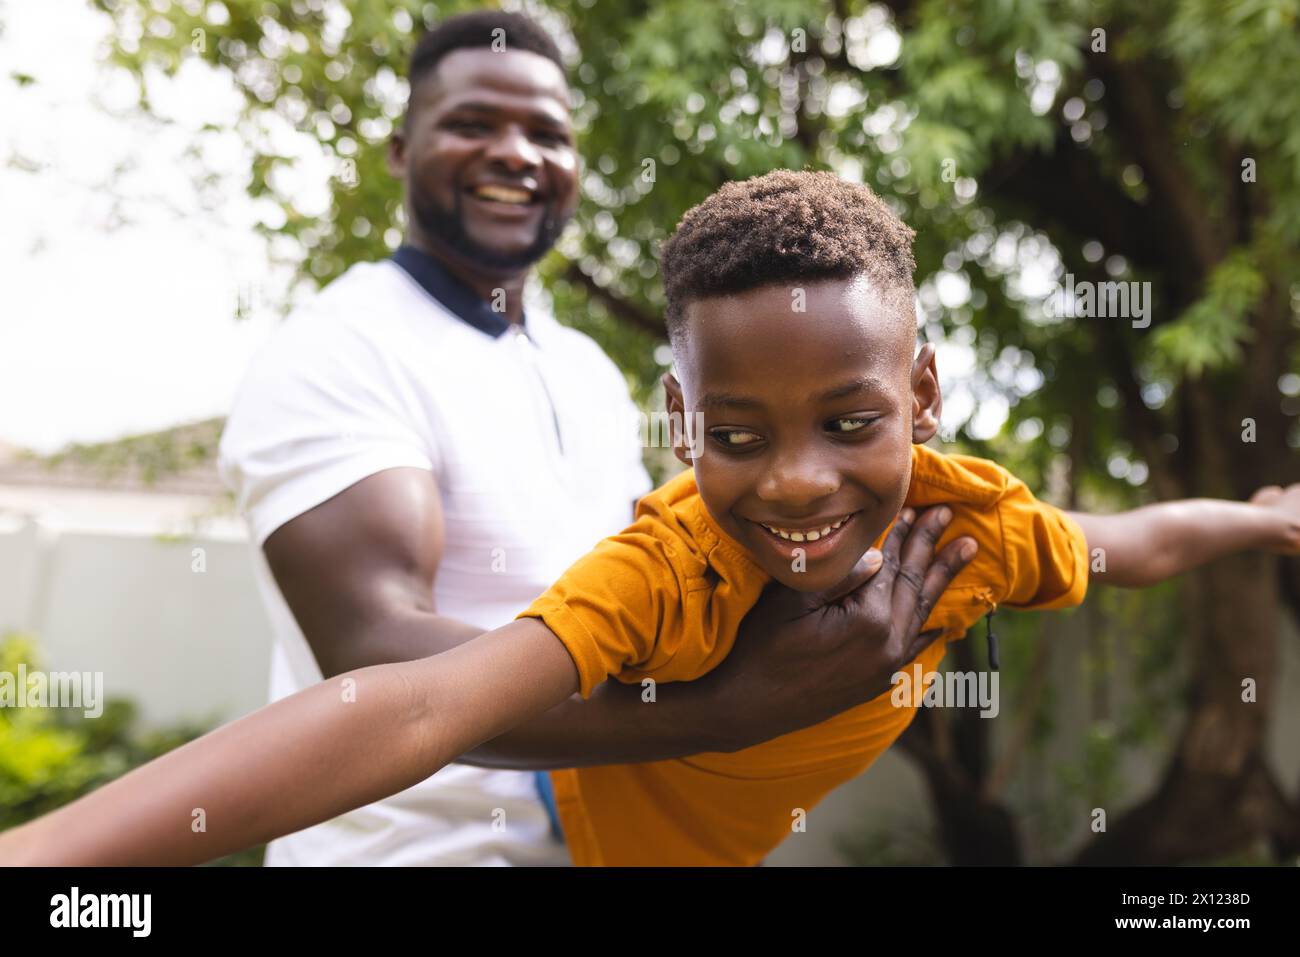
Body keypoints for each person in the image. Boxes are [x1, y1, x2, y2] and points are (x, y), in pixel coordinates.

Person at [6, 169, 1295, 868]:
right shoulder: (666, 573)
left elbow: (1129, 544)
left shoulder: (961, 529)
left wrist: (1254, 518)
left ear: (921, 394)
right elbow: (418, 706)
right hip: (594, 829)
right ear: (681, 422)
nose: (793, 483)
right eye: (736, 437)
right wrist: (57, 856)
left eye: (850, 423)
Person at [214, 11, 948, 866]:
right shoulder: (339, 346)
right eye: (473, 124)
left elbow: (657, 598)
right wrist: (729, 710)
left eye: (546, 134)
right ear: (399, 149)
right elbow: (372, 645)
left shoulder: (588, 370)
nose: (517, 154)